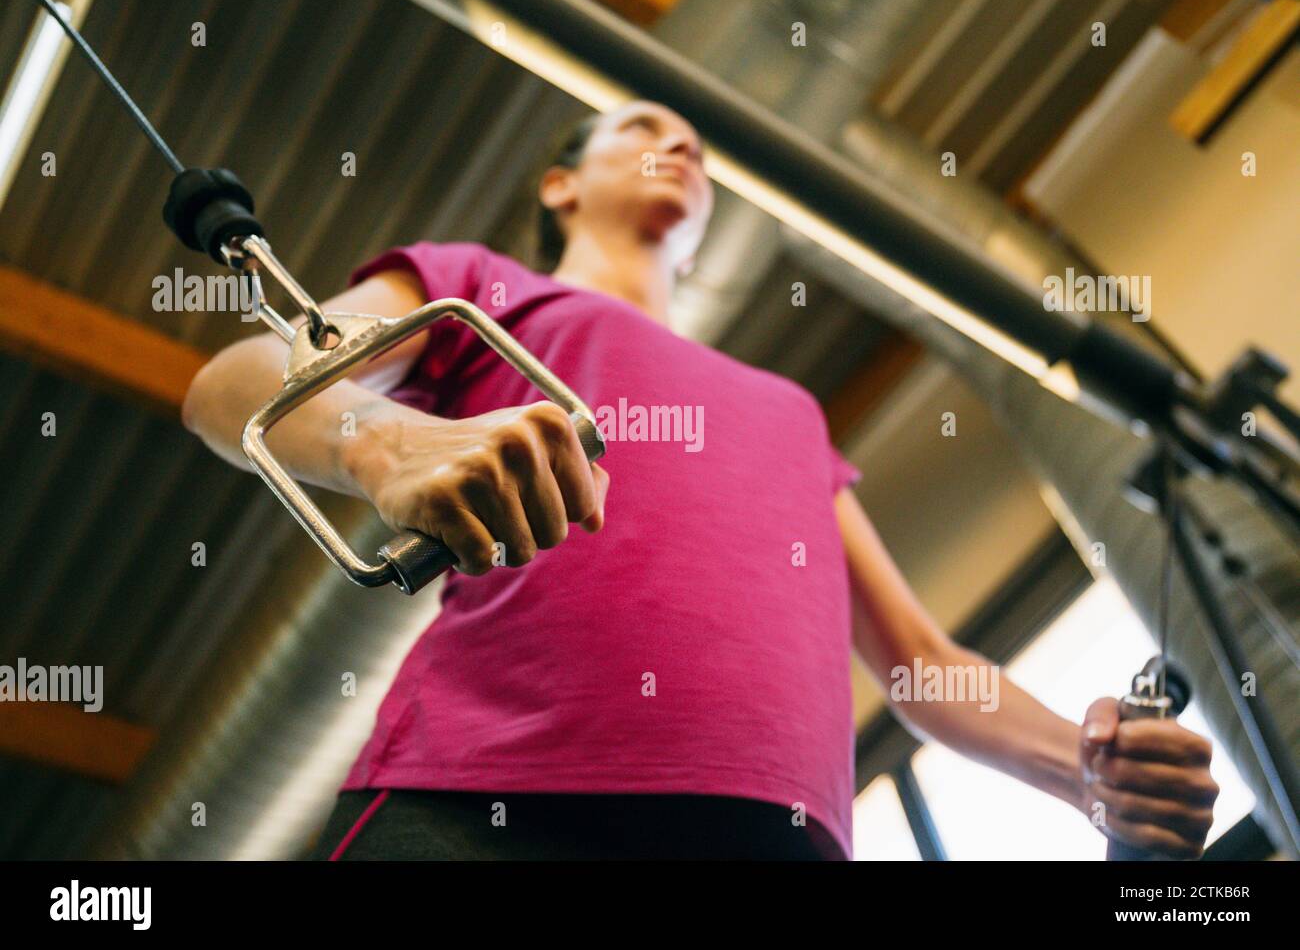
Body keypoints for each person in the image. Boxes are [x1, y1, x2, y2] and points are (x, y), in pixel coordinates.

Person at [181, 100, 1219, 860]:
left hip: (777, 836)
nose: (678, 144)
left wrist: (1078, 770)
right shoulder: (484, 288)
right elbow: (237, 384)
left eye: (696, 145)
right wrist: (385, 443)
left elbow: (919, 660)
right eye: (638, 126)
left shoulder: (790, 409)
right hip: (489, 807)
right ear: (561, 183)